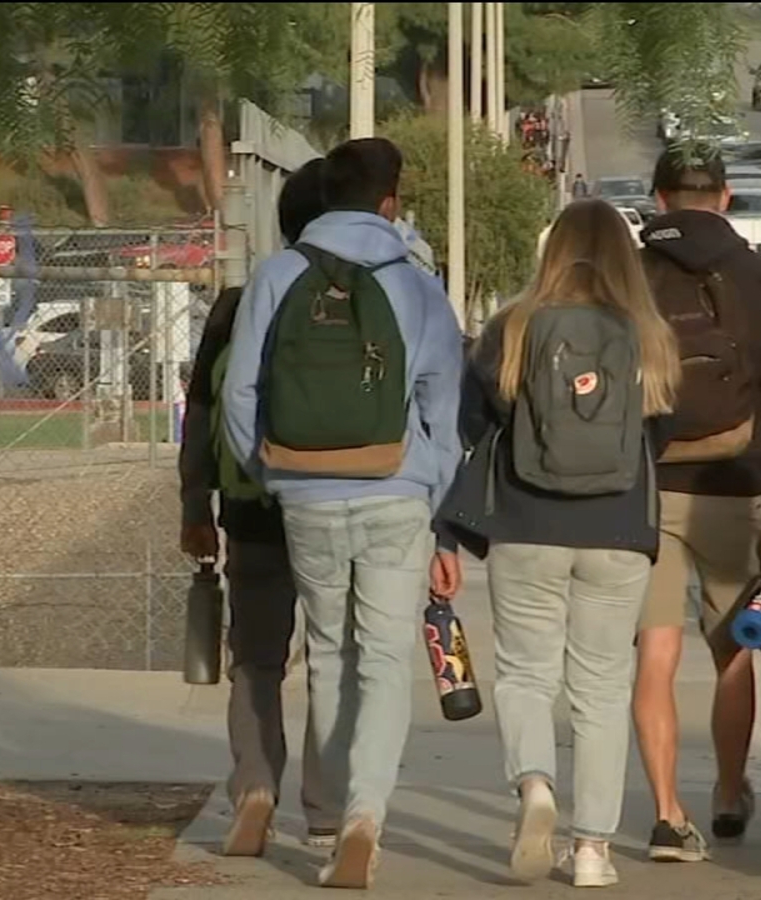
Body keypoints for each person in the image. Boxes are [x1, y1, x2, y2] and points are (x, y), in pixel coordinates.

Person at [221, 137, 465, 890]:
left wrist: (276, 471)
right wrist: (431, 491)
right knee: (387, 659)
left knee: (329, 654)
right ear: (391, 202)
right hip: (395, 489)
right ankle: (367, 816)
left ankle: (325, 820)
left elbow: (239, 394)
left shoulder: (278, 274)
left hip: (304, 493)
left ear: (327, 196)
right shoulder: (417, 286)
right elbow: (445, 413)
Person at [438, 199, 682, 889]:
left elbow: (472, 421)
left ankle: (536, 786)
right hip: (619, 529)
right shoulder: (648, 333)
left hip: (526, 525)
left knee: (525, 672)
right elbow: (661, 430)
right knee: (603, 688)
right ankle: (592, 850)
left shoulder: (512, 327)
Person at [631, 144, 761, 861]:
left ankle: (668, 812)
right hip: (737, 488)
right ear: (727, 198)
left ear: (660, 197)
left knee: (656, 650)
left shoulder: (633, 277)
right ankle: (731, 790)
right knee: (734, 652)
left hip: (647, 490)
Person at [178, 158, 340, 857]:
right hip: (341, 501)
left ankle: (255, 792)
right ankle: (330, 809)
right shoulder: (367, 296)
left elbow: (203, 408)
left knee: (255, 659)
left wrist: (194, 502)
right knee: (338, 657)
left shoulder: (239, 303)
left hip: (249, 504)